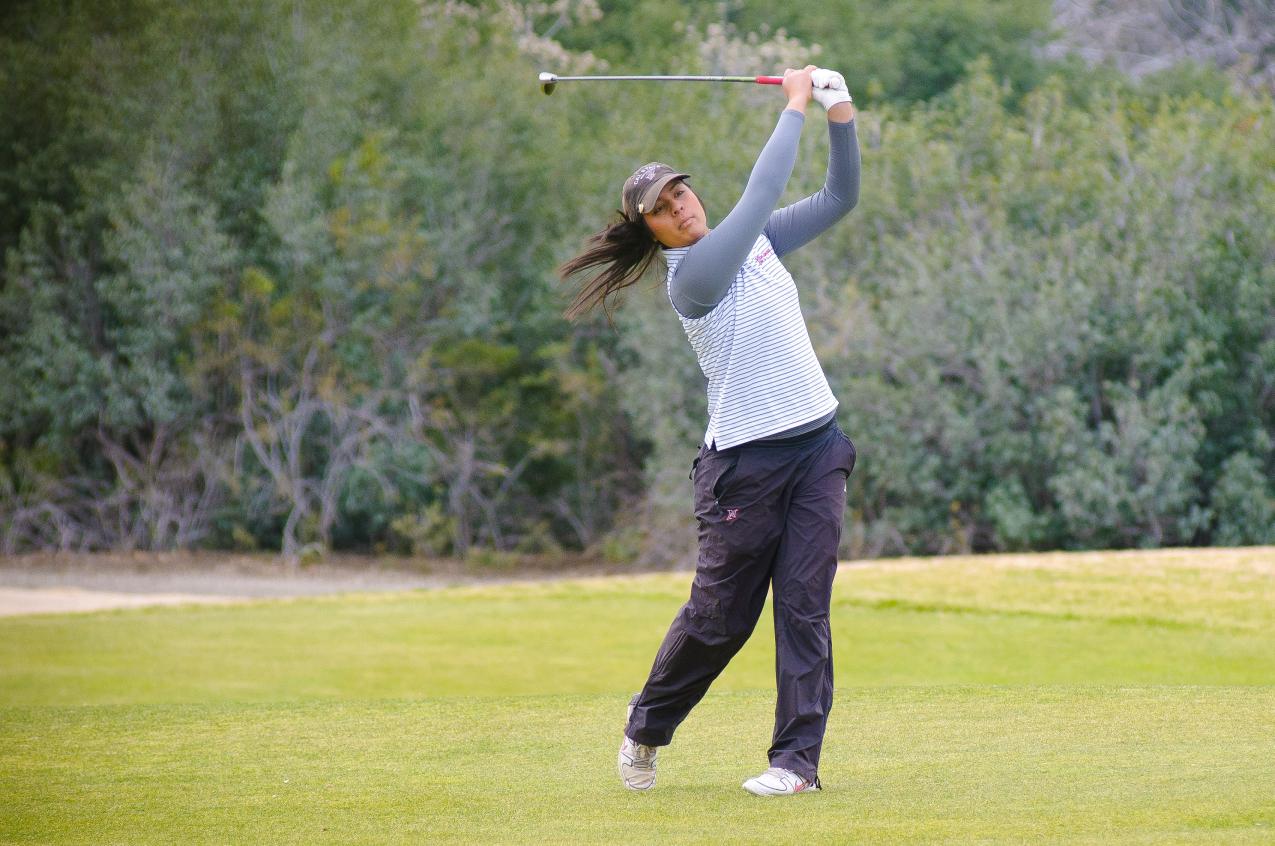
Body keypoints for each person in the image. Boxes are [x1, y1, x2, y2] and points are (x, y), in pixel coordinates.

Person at [560, 65, 860, 796]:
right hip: (744, 469)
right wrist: (794, 106)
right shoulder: (691, 279)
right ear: (650, 229)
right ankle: (647, 727)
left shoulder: (755, 244)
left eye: (681, 192)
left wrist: (840, 112)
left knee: (802, 610)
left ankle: (795, 765)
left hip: (817, 448)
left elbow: (840, 196)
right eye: (662, 208)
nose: (681, 209)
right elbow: (759, 196)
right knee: (721, 619)